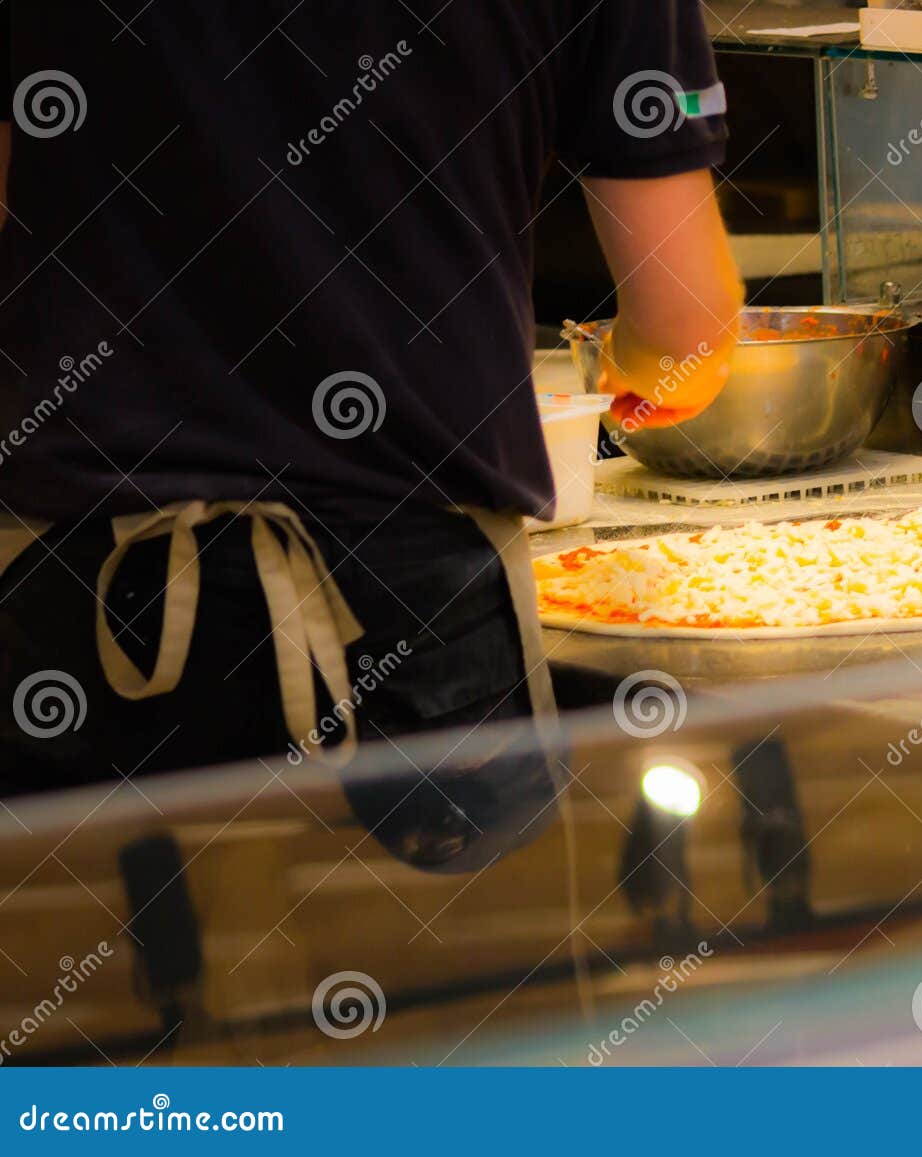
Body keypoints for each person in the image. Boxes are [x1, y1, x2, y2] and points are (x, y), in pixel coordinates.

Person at [0, 3, 743, 819]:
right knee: (452, 948)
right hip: (420, 614)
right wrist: (649, 378)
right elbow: (686, 325)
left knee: (96, 941)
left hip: (79, 598)